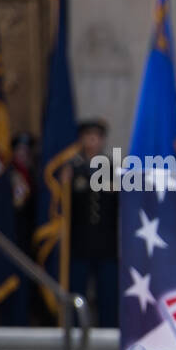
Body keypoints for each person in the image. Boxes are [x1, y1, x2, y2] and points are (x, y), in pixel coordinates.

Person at [68, 118, 119, 327]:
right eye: (88, 136)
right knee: (78, 287)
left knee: (107, 291)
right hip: (79, 242)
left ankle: (108, 328)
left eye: (97, 137)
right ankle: (76, 328)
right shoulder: (72, 169)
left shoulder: (112, 169)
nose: (92, 141)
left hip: (106, 243)